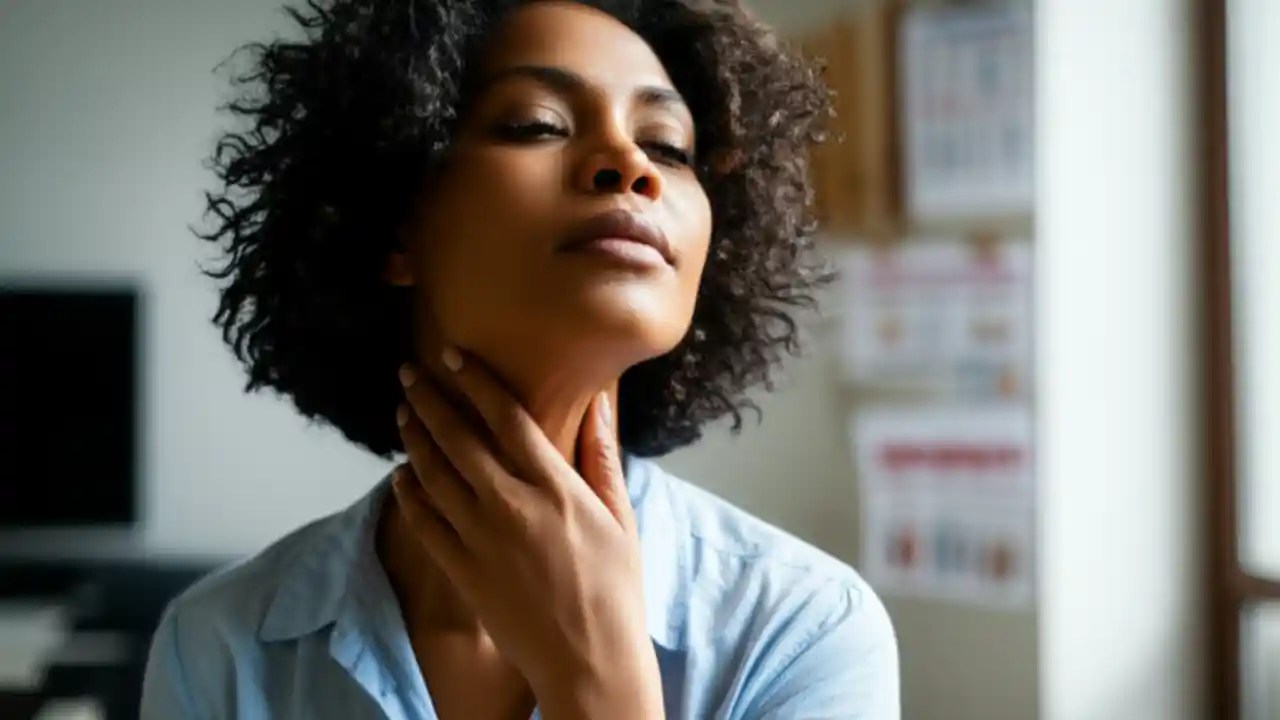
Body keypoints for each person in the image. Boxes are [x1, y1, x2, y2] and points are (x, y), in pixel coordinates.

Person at [140, 1, 899, 717]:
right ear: (398, 224)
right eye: (538, 124)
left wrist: (596, 681)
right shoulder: (220, 646)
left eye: (668, 146)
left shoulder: (805, 629)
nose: (630, 163)